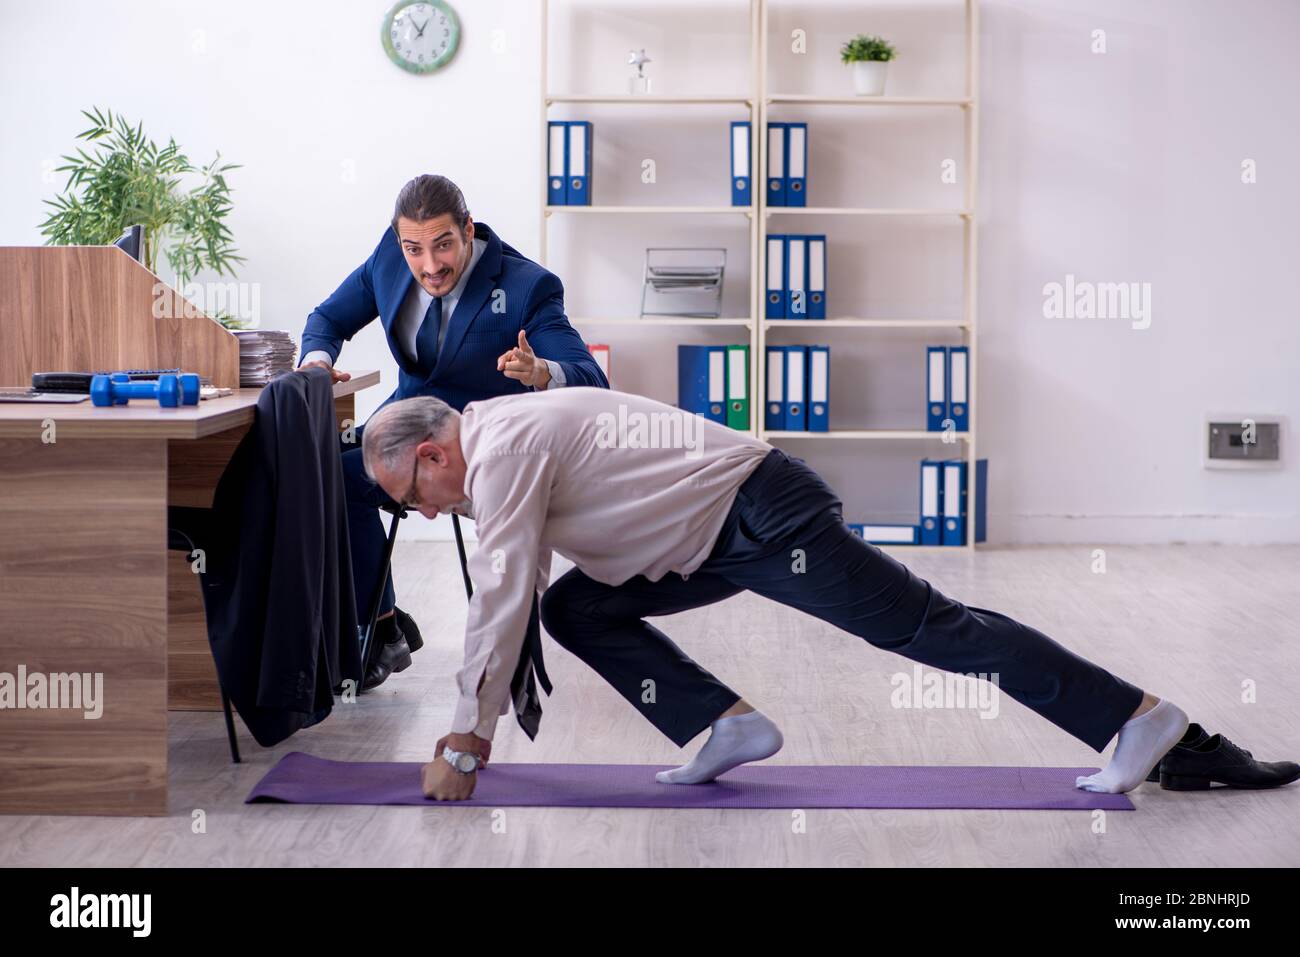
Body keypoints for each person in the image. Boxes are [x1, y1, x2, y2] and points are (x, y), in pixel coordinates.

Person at [360, 387, 1299, 801]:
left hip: (767, 518)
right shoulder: (502, 433)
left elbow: (504, 590)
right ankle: (723, 724)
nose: (430, 508)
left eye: (414, 495)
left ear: (435, 454)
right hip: (707, 538)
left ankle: (1146, 719)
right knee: (581, 608)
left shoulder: (502, 450)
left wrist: (463, 740)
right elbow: (545, 588)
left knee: (938, 632)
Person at [297, 174, 608, 690]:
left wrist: (540, 372)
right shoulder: (390, 259)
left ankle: (386, 631)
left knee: (338, 478)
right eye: (414, 249)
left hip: (473, 457)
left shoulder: (527, 286)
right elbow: (328, 318)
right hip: (401, 431)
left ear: (468, 229)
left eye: (443, 244)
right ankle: (376, 626)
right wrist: (316, 363)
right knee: (312, 461)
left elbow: (591, 377)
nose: (430, 265)